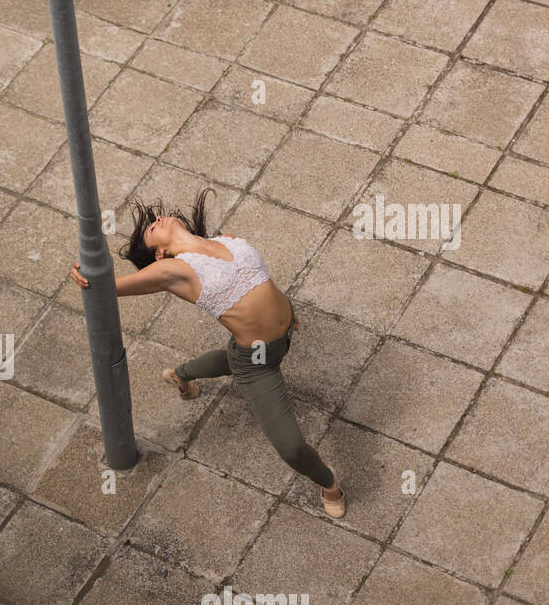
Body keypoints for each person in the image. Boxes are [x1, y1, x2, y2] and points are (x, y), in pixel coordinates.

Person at [69, 189, 345, 518]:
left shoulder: (225, 241)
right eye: (152, 230)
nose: (158, 219)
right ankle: (330, 485)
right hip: (257, 362)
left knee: (230, 358)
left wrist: (285, 311)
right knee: (292, 446)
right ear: (159, 253)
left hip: (282, 334)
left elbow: (257, 279)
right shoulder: (173, 271)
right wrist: (83, 273)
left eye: (156, 219)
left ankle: (180, 375)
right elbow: (106, 287)